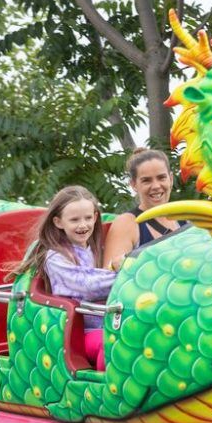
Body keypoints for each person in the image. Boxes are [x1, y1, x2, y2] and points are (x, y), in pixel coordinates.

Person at [12, 186, 115, 369]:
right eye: (74, 220)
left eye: (88, 218)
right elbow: (87, 285)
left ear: (95, 217)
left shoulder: (93, 249)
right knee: (108, 344)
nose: (83, 225)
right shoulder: (55, 257)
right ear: (58, 222)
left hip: (104, 324)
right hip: (76, 332)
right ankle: (106, 384)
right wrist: (126, 277)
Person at [102, 148, 182, 271]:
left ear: (170, 179)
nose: (156, 186)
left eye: (161, 178)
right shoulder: (126, 223)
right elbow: (109, 275)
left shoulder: (187, 218)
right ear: (133, 184)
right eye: (146, 180)